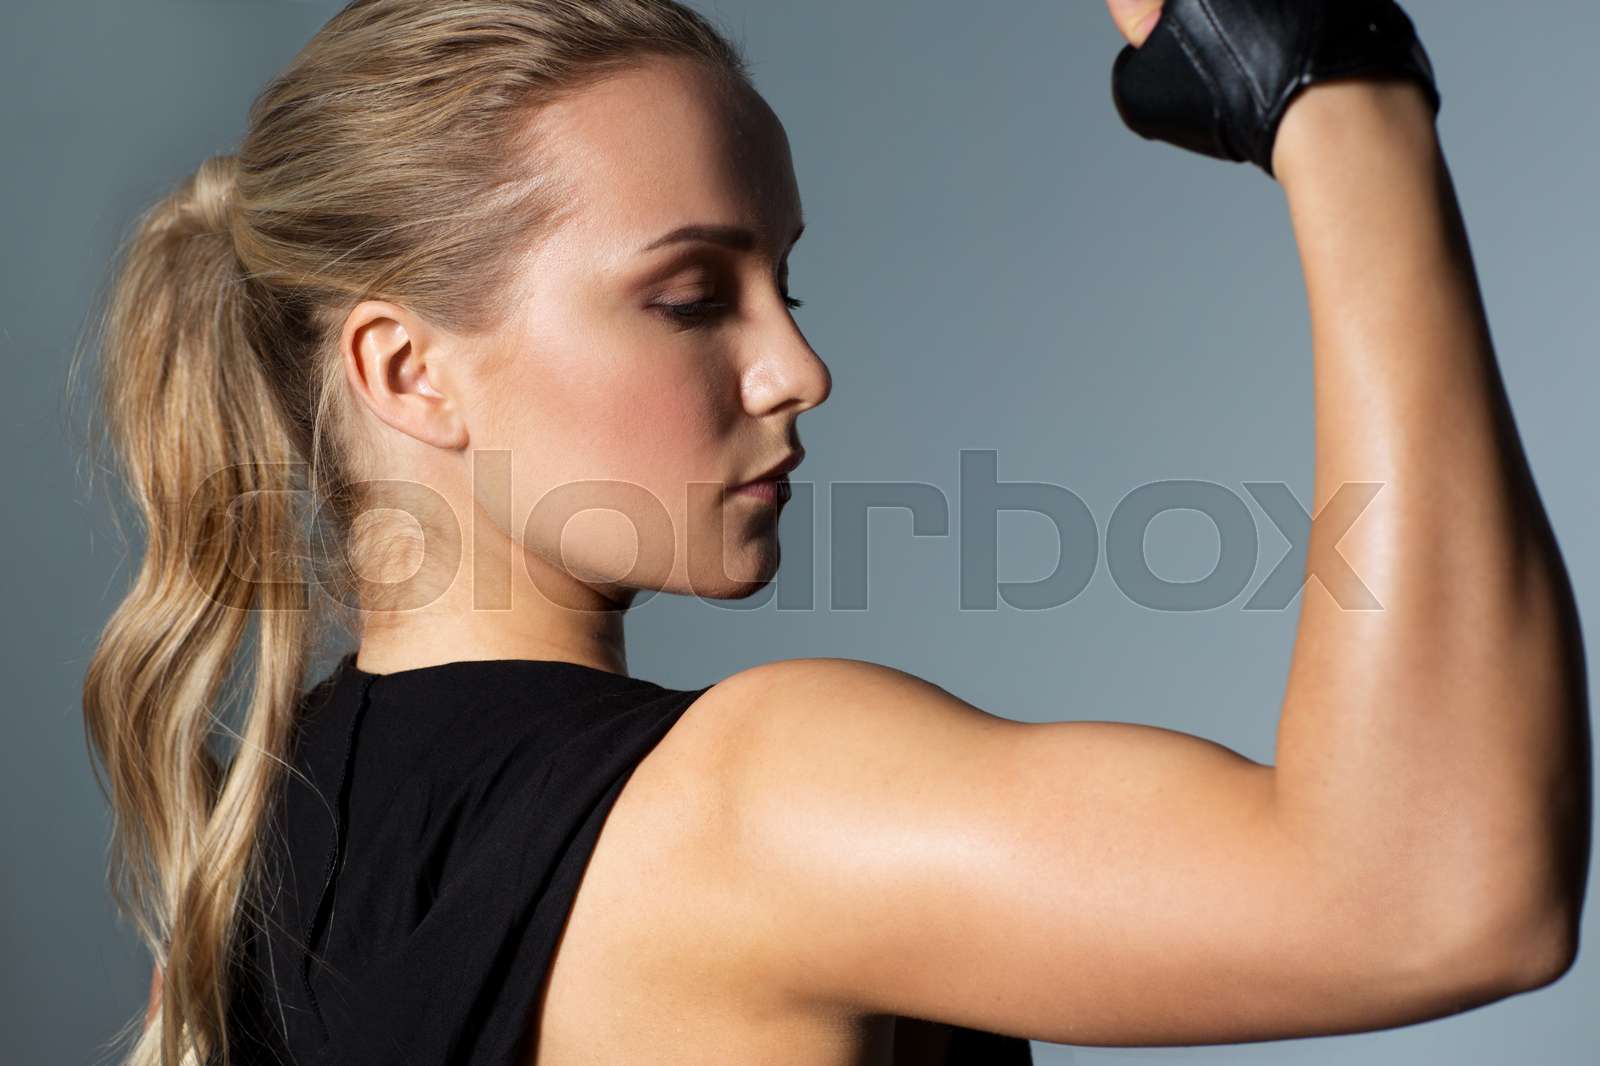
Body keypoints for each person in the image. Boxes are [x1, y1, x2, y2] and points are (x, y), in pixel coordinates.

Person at [82, 1, 1588, 1064]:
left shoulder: (245, 872)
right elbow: (1440, 894)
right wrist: (1333, 92)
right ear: (406, 369)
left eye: (785, 287)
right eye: (689, 296)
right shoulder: (749, 804)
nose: (796, 368)